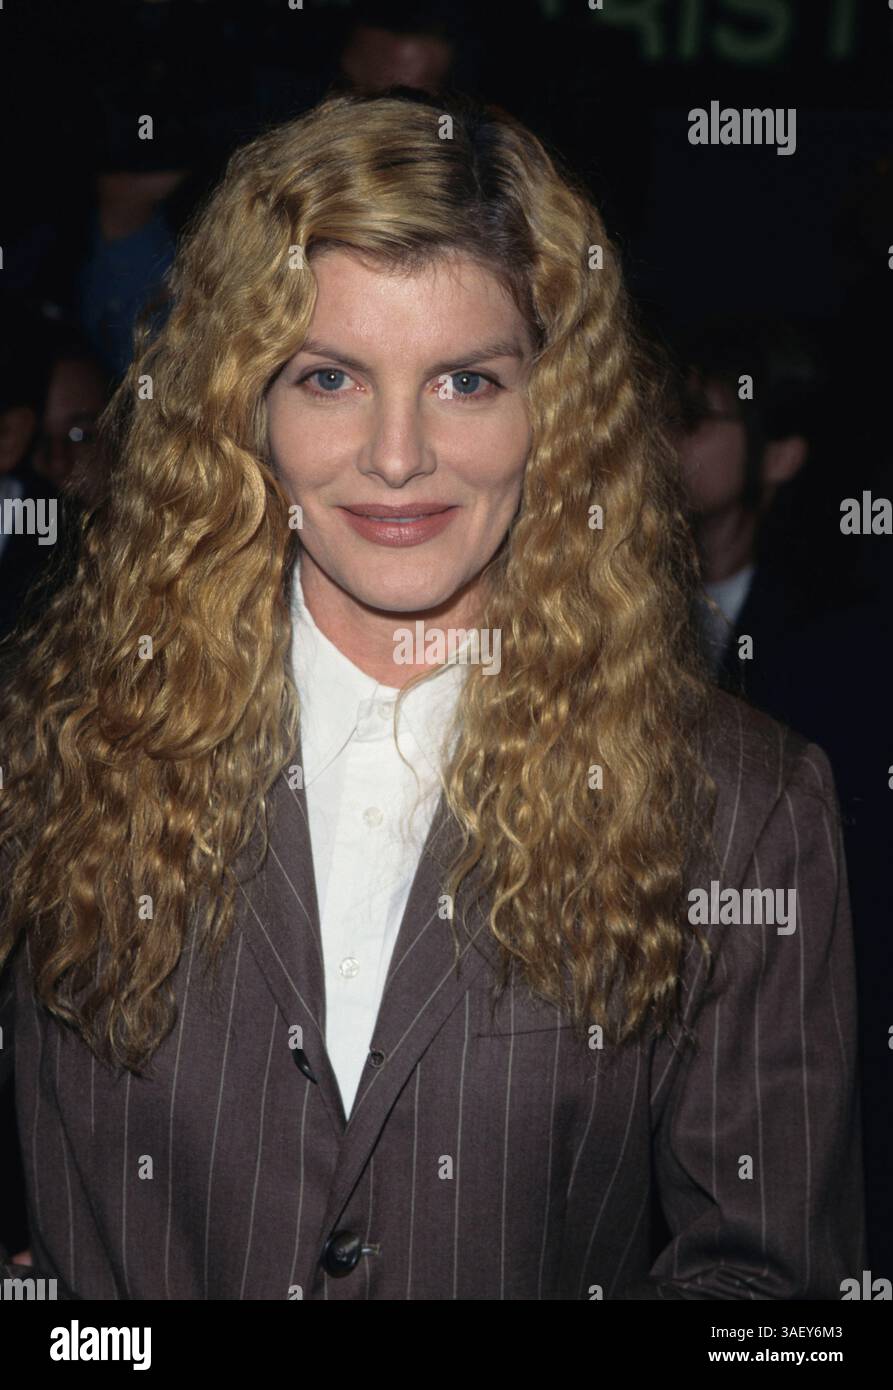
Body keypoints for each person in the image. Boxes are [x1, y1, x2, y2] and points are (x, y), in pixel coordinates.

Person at [0, 89, 863, 1301]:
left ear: (552, 411)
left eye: (463, 382)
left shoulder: (739, 804)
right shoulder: (56, 744)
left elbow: (768, 1290)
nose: (397, 455)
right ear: (241, 405)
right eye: (329, 378)